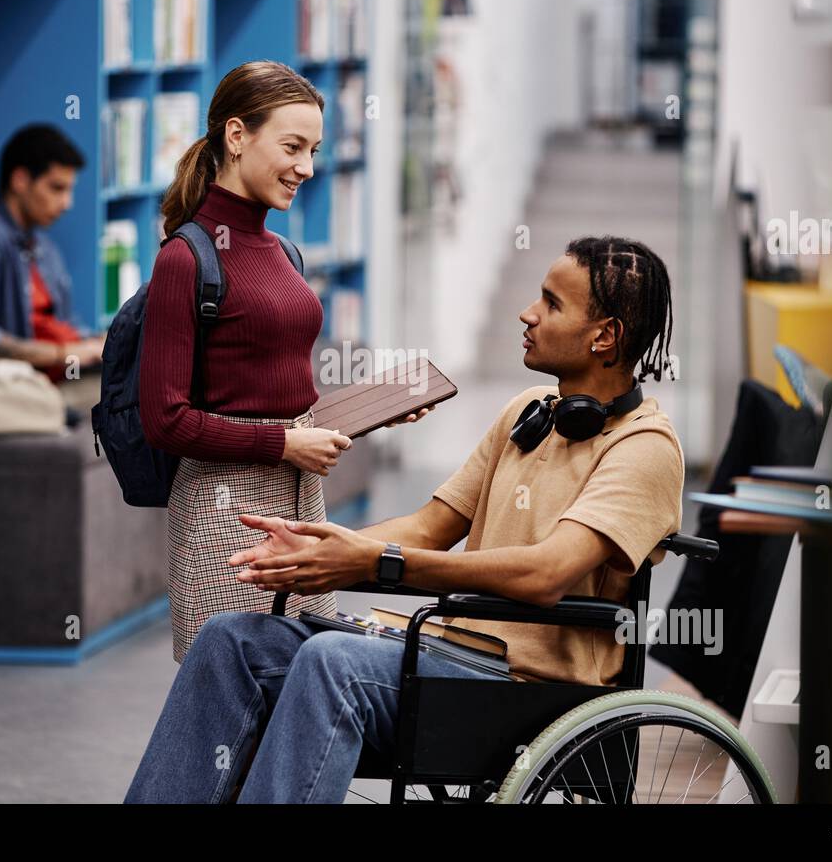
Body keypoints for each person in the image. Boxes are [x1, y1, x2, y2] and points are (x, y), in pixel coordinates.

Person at [124, 235, 686, 804]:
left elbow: (546, 575)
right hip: (451, 654)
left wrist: (376, 563)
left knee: (331, 661)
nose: (528, 313)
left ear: (605, 336)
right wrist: (317, 549)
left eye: (552, 303)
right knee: (229, 641)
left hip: (529, 688)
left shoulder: (644, 448)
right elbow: (427, 529)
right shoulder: (530, 413)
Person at [139, 60, 432, 663]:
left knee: (306, 686)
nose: (307, 168)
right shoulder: (185, 258)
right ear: (237, 136)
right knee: (233, 696)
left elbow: (274, 396)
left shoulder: (285, 253)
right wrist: (282, 446)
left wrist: (369, 410)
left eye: (314, 149)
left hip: (303, 502)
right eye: (293, 147)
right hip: (226, 515)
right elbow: (164, 420)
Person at [0, 124, 105, 410]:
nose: (67, 203)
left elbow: (66, 325)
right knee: (133, 400)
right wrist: (59, 354)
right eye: (57, 188)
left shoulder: (44, 249)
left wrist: (102, 342)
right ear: (21, 180)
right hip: (27, 385)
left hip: (65, 375)